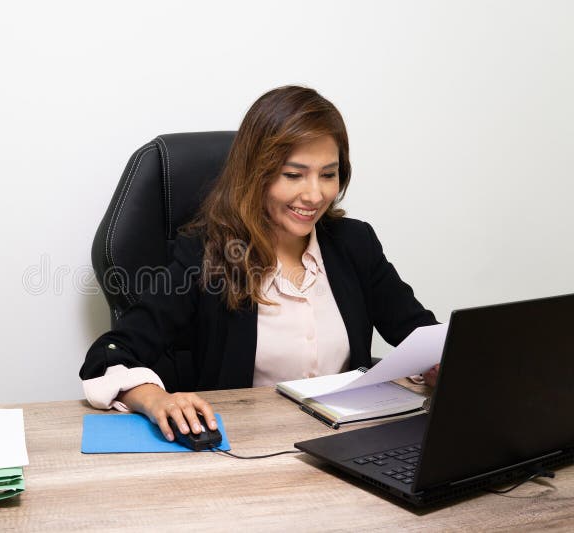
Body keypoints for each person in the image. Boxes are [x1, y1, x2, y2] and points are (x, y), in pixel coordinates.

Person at [79, 86, 438, 443]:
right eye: (294, 175)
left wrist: (441, 364)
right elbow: (110, 356)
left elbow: (423, 337)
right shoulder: (207, 255)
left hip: (349, 444)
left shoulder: (353, 244)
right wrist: (155, 400)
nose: (315, 195)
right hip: (250, 451)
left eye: (328, 174)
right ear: (257, 174)